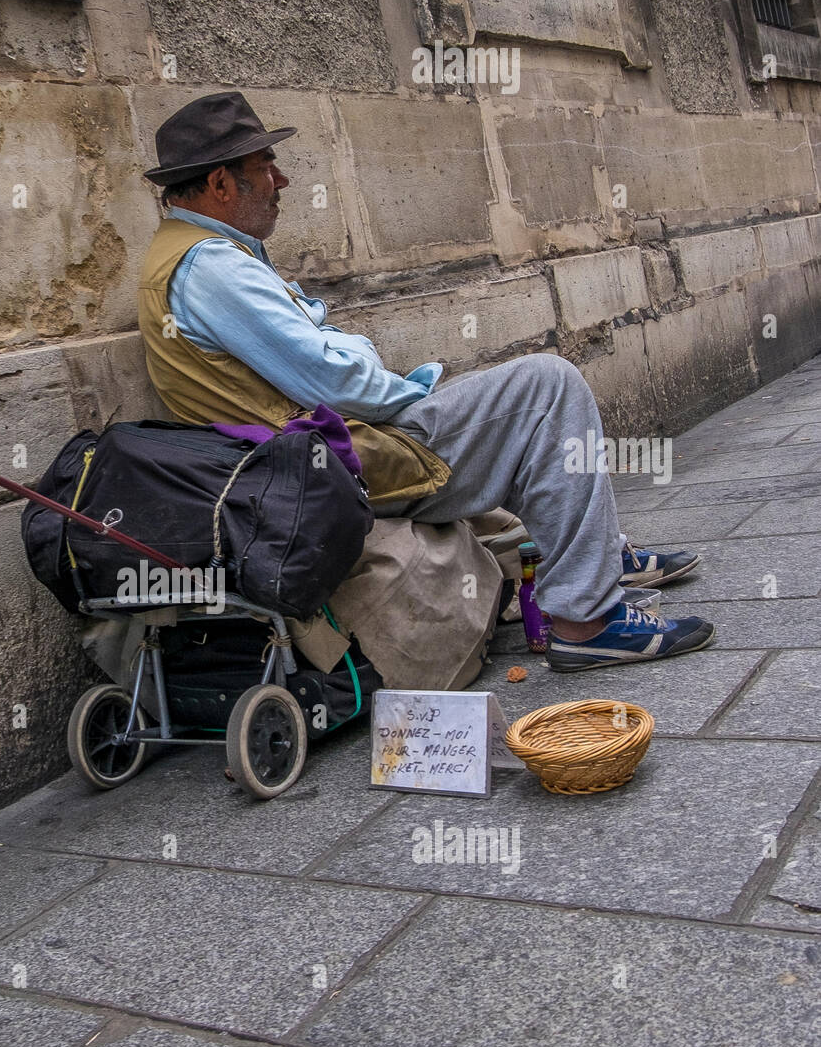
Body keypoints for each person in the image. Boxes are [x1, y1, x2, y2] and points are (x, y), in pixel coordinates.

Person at [137, 91, 714, 672]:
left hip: (305, 455)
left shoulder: (194, 255)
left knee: (508, 410)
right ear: (220, 184)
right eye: (265, 167)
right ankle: (587, 621)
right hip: (327, 464)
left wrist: (371, 366)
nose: (281, 180)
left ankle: (601, 562)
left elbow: (318, 359)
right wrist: (411, 389)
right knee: (548, 387)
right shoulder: (211, 265)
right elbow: (335, 377)